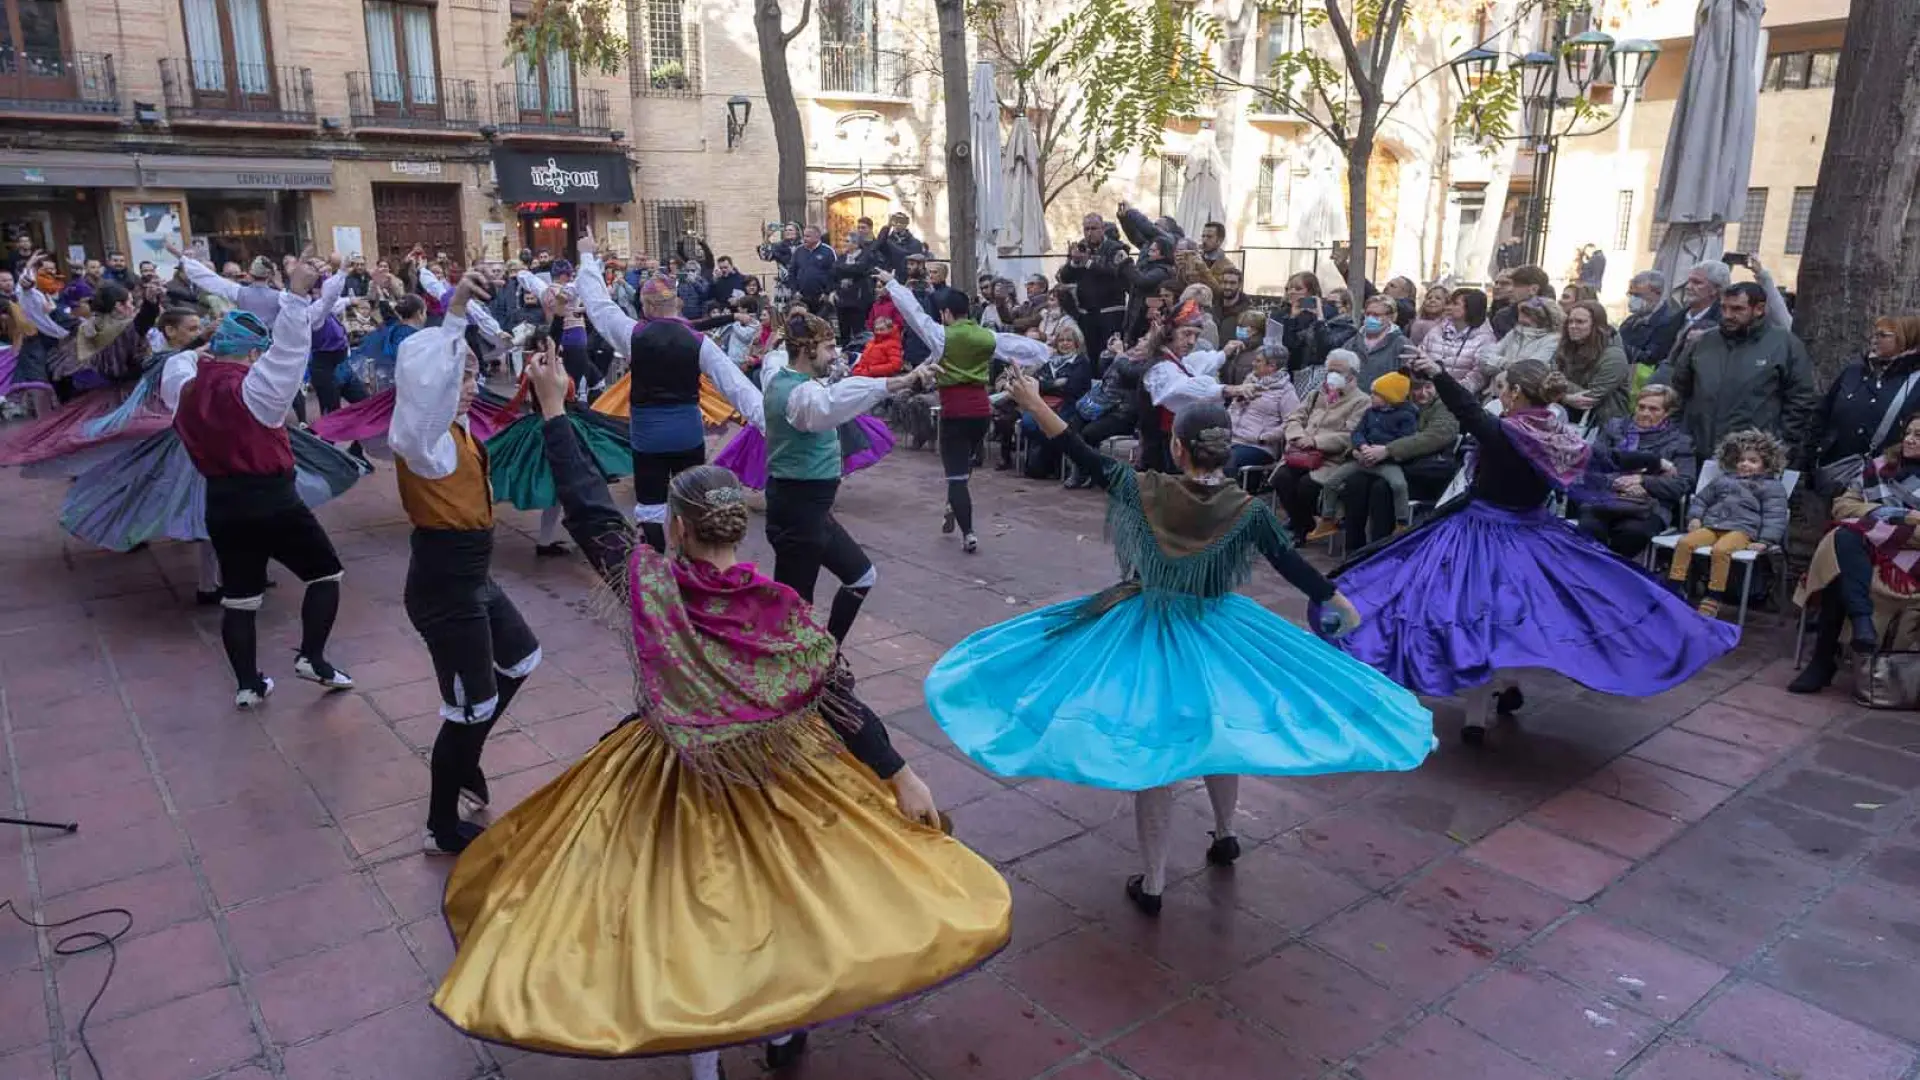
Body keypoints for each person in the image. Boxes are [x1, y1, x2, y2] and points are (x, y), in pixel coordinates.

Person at [432, 349, 1010, 1074]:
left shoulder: (652, 587)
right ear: (738, 529)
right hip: (779, 777)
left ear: (676, 531)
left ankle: (710, 1061)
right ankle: (777, 1033)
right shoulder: (781, 609)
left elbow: (586, 507)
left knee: (688, 927)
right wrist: (899, 773)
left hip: (668, 773)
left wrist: (553, 411)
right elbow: (838, 702)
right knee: (776, 902)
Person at [924, 380, 1433, 916]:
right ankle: (1225, 833)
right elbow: (1290, 563)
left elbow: (1078, 450)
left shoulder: (1145, 489)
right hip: (1217, 631)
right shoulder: (1247, 510)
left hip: (1144, 630)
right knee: (1219, 731)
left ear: (1178, 448)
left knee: (1155, 753)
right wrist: (1336, 601)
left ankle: (1155, 881)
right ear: (1227, 450)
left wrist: (1030, 404)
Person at [1322, 356, 1739, 743]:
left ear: (1518, 393)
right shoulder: (1559, 435)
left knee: (1472, 616)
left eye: (1504, 387)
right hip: (1532, 534)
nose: (1500, 394)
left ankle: (1476, 713)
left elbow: (1468, 411)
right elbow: (1606, 458)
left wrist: (1440, 375)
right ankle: (1506, 689)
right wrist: (1650, 460)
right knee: (1517, 615)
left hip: (1482, 533)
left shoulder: (1508, 431)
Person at [388, 273, 543, 855]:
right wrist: (452, 314)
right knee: (468, 706)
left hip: (473, 577)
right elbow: (427, 397)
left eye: (476, 373)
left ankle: (466, 753)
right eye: (465, 375)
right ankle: (439, 823)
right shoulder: (421, 442)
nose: (474, 384)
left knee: (521, 659)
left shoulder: (455, 430)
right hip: (444, 588)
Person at [161, 264, 356, 708]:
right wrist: (295, 294)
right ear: (251, 354)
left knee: (240, 599)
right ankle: (312, 657)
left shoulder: (182, 386)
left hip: (223, 503)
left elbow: (181, 362)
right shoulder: (256, 389)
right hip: (274, 501)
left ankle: (248, 685)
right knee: (326, 573)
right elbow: (289, 352)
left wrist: (204, 349)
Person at [574, 232, 763, 552]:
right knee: (692, 501)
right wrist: (768, 422)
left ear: (646, 305)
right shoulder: (698, 341)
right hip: (687, 432)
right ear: (676, 302)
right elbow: (737, 387)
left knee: (650, 508)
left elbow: (598, 305)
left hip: (648, 435)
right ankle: (697, 564)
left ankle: (654, 569)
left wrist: (587, 257)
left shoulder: (632, 334)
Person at [880, 269, 1049, 553]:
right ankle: (953, 506)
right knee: (964, 465)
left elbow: (914, 313)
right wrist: (1048, 351)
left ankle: (968, 532)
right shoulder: (987, 336)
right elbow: (1025, 348)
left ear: (946, 312)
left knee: (956, 475)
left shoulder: (941, 335)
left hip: (954, 411)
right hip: (981, 411)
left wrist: (892, 283)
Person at [1791, 416, 1920, 695]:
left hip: (1908, 563)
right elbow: (1842, 505)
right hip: (1865, 554)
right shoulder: (1880, 466)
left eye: (1919, 435)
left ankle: (1824, 661)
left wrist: (1882, 523)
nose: (1909, 438)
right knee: (1843, 542)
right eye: (1908, 432)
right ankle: (1857, 629)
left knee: (1841, 544)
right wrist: (1893, 516)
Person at [1660, 282, 1819, 465]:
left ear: (1758, 309)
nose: (1727, 315)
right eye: (1724, 308)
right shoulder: (1702, 343)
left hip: (1751, 460)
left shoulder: (1786, 345)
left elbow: (1801, 401)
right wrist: (1678, 439)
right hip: (1697, 451)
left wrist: (1778, 444)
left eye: (1737, 309)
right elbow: (1677, 393)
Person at [1328, 372, 1460, 550]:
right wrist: (1358, 451)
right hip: (1385, 463)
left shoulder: (1446, 406)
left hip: (1422, 469)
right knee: (1355, 484)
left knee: (1381, 489)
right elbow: (1366, 431)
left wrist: (1388, 450)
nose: (1422, 393)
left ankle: (1379, 547)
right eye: (1416, 388)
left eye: (1428, 387)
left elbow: (1434, 437)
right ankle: (1354, 547)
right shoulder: (1394, 403)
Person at [1668, 429, 1789, 618]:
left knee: (1721, 550)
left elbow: (1775, 516)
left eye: (1753, 460)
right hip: (1712, 525)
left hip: (1742, 531)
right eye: (1741, 459)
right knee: (1685, 543)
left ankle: (1714, 595)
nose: (1745, 464)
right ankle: (1675, 584)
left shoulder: (1771, 487)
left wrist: (1765, 541)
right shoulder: (1722, 480)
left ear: (1766, 464)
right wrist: (1695, 517)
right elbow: (1701, 500)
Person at [1803, 315, 1920, 505]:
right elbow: (1822, 415)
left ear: (1906, 338)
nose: (1875, 339)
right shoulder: (1854, 371)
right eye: (1874, 334)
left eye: (1884, 335)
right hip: (1839, 469)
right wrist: (1810, 458)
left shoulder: (1916, 381)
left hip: (1887, 480)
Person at [1571, 384, 1696, 559]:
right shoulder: (1614, 428)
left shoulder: (1679, 441)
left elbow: (1683, 482)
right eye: (1641, 407)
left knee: (1631, 534)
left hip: (1650, 506)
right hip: (1604, 498)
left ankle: (1617, 580)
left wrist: (1643, 482)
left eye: (1654, 409)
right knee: (1590, 530)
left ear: (1667, 412)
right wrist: (1618, 482)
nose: (1645, 413)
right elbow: (1591, 466)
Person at [1270, 348, 1367, 544]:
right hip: (1302, 454)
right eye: (1330, 370)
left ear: (1352, 375)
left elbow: (1351, 436)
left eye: (1339, 371)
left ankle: (1304, 527)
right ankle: (1302, 525)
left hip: (1330, 460)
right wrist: (1297, 436)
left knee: (1307, 485)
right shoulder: (1316, 394)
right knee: (1282, 478)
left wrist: (1316, 442)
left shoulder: (1361, 401)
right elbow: (1295, 418)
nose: (1332, 375)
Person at [1139, 305, 1244, 473]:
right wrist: (1227, 389)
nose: (1192, 342)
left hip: (1175, 447)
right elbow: (1183, 387)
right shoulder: (1159, 367)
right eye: (1186, 334)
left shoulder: (1177, 360)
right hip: (1161, 451)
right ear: (1169, 333)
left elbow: (1196, 365)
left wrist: (1224, 353)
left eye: (1196, 335)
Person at [1223, 343, 1300, 476]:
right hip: (1233, 439)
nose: (1253, 364)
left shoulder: (1285, 391)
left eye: (1258, 361)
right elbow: (1233, 408)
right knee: (1206, 453)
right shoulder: (1248, 382)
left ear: (1272, 366)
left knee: (1227, 460)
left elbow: (1292, 421)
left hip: (1258, 445)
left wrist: (1265, 438)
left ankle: (1227, 495)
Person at [1556, 300, 1631, 427]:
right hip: (1566, 415)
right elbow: (1547, 377)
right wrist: (1564, 397)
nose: (1572, 326)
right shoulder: (1566, 347)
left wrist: (1557, 390)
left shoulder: (1614, 356)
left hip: (1602, 423)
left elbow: (1589, 398)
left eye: (1580, 322)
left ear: (1596, 325)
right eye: (1570, 321)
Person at [1420, 287, 1495, 394]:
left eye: (1455, 304)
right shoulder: (1436, 331)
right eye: (1449, 303)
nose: (1448, 307)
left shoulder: (1485, 339)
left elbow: (1477, 379)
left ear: (1471, 308)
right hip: (1427, 395)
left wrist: (1447, 389)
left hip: (1459, 402)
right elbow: (1422, 353)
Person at [1478, 296, 1561, 392]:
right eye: (1522, 313)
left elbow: (1530, 370)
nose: (1521, 318)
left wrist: (1499, 363)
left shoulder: (1552, 339)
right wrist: (1507, 364)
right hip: (1497, 392)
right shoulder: (1514, 333)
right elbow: (1484, 358)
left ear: (1542, 318)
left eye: (1528, 314)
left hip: (1525, 395)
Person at [1618, 270, 1685, 375]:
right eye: (1630, 294)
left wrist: (1616, 344)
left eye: (1638, 295)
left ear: (1656, 293)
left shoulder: (1668, 321)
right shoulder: (1633, 318)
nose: (1632, 299)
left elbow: (1651, 357)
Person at [1348, 294, 1409, 390]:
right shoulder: (1353, 342)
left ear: (1391, 317)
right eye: (1368, 314)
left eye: (1376, 315)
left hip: (1385, 402)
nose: (1370, 318)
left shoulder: (1401, 344)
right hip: (1355, 401)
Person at [1488, 265, 1550, 339]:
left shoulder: (1554, 320)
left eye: (1516, 285)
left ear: (1534, 289)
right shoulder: (1503, 317)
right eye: (1496, 283)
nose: (1511, 290)